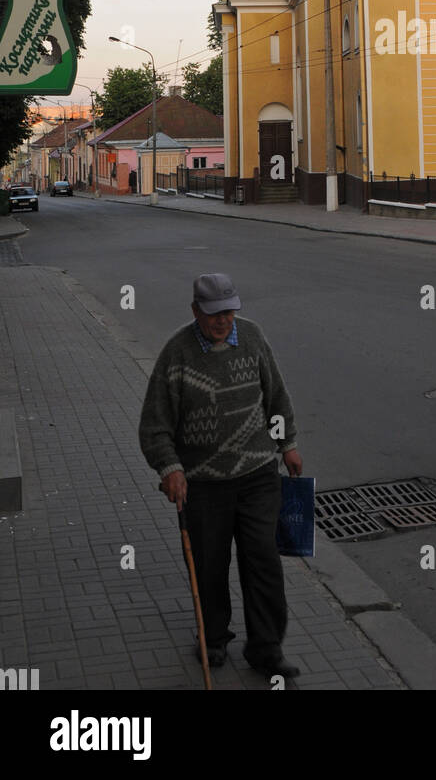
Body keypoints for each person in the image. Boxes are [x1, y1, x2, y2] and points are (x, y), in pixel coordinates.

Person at [139, 273, 303, 677]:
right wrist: (170, 468)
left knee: (263, 560)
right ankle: (212, 638)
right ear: (196, 310)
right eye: (214, 314)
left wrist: (288, 443)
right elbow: (154, 426)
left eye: (229, 312)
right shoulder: (176, 354)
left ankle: (266, 649)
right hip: (204, 484)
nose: (223, 321)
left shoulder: (252, 337)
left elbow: (275, 395)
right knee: (209, 565)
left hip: (258, 473)